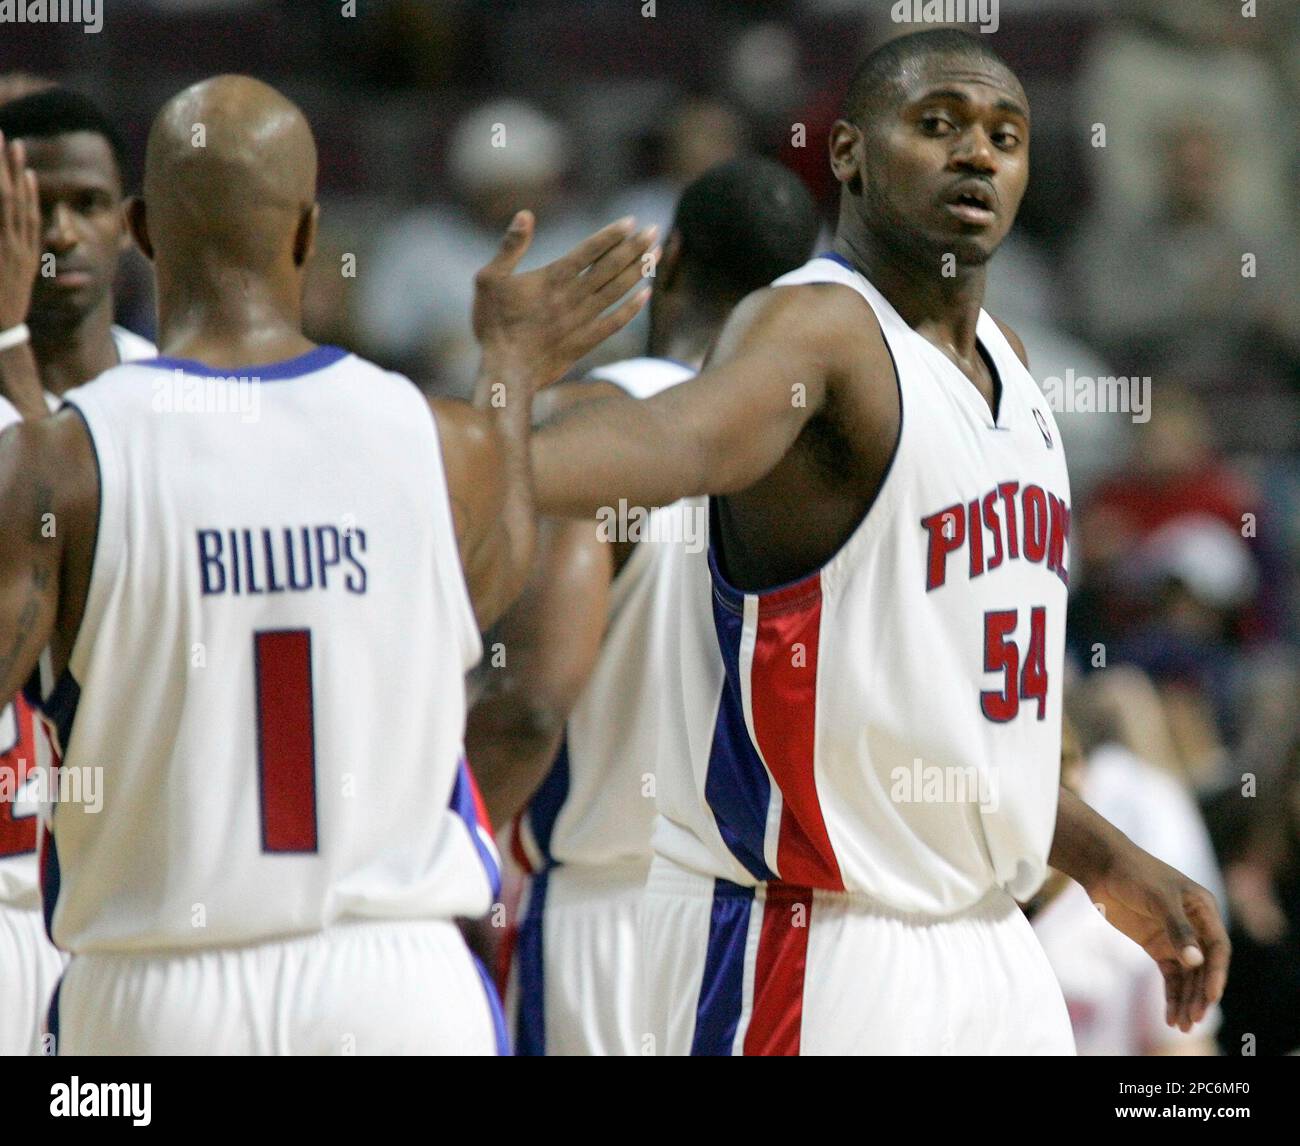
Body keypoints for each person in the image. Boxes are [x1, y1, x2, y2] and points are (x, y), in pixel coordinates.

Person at [531, 29, 1229, 1054]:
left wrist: (1105, 858)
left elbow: (960, 735)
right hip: (815, 940)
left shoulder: (1015, 371)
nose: (976, 154)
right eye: (936, 124)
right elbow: (671, 435)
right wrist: (497, 405)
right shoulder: (816, 329)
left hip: (992, 941)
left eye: (1004, 134)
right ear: (849, 153)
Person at [0, 74, 654, 1055]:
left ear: (139, 227)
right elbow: (497, 603)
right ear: (308, 232)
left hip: (162, 993)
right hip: (399, 990)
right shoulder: (447, 442)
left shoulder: (62, 463)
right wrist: (510, 368)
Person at [466, 156, 820, 1055]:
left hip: (604, 927)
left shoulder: (590, 428)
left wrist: (433, 861)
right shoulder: (821, 456)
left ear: (669, 259)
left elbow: (532, 704)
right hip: (764, 930)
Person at [0, 87, 159, 1057]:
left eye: (86, 202)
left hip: (148, 909)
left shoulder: (178, 402)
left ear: (130, 223)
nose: (57, 230)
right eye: (27, 206)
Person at [0, 88, 158, 414]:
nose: (62, 235)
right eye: (36, 206)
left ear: (128, 223)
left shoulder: (170, 389)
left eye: (87, 204)